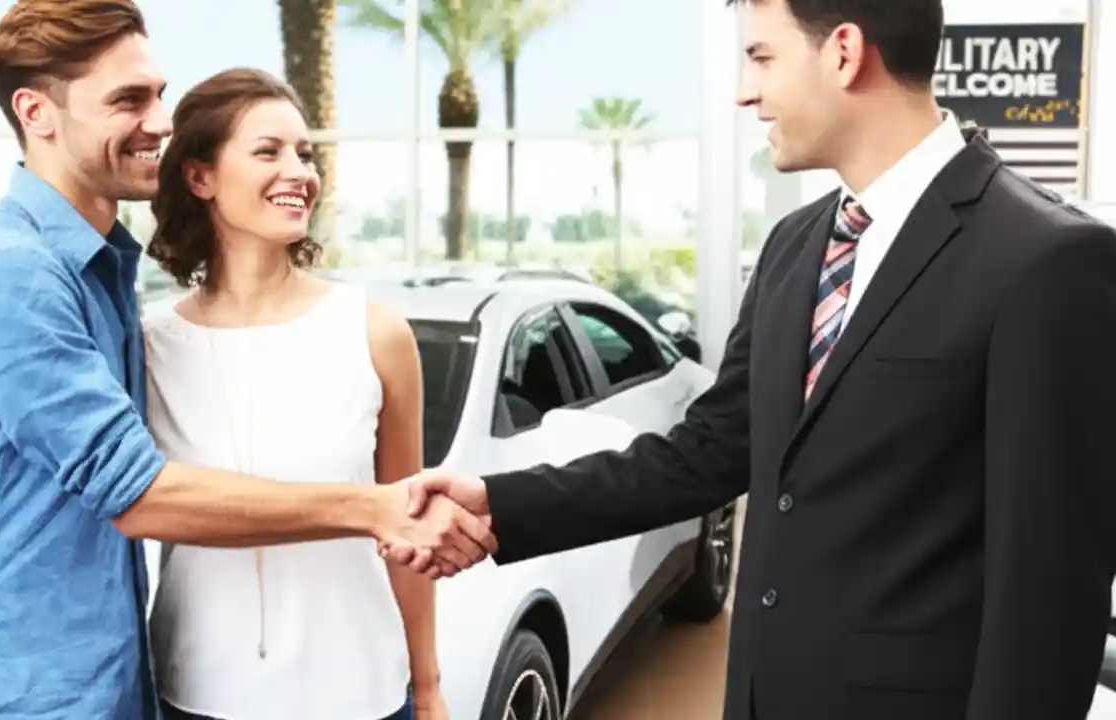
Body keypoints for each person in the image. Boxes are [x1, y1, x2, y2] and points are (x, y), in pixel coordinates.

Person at [387, 0, 1116, 718]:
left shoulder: (1045, 261)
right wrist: (502, 503)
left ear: (844, 53)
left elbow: (1049, 595)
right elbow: (708, 452)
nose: (745, 92)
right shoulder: (794, 246)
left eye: (762, 57)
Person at [0, 2, 492, 718]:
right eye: (129, 99)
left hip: (152, 688)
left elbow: (38, 425)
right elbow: (136, 492)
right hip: (35, 698)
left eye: (159, 94)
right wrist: (374, 508)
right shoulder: (12, 273)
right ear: (36, 112)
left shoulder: (103, 282)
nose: (159, 120)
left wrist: (426, 685)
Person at [140, 67, 447, 720]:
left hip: (360, 694)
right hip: (198, 695)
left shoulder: (374, 332)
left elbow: (409, 531)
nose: (299, 172)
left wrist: (428, 688)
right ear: (200, 177)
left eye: (305, 154)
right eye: (268, 151)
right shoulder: (148, 347)